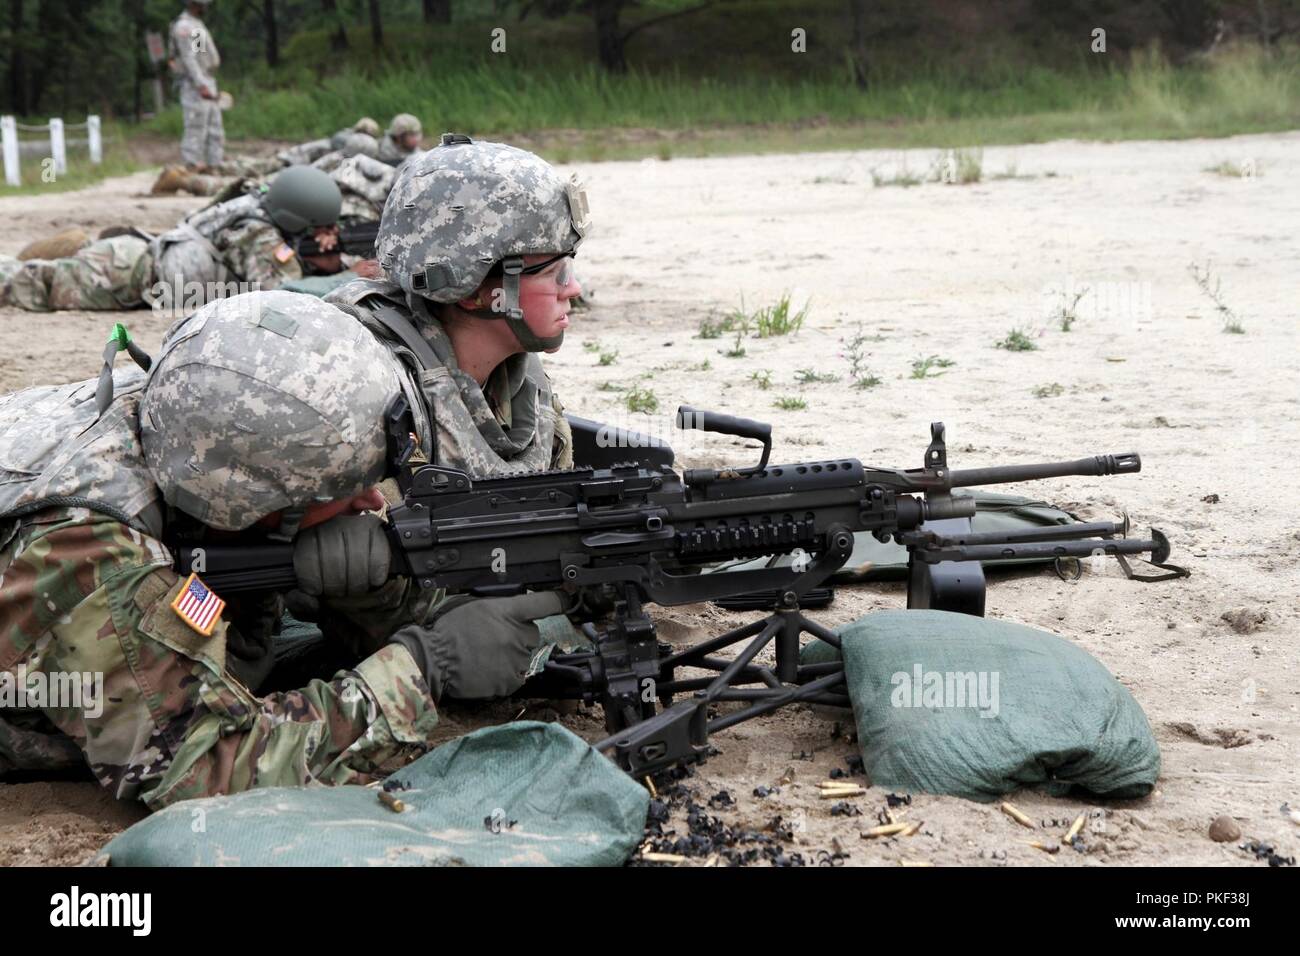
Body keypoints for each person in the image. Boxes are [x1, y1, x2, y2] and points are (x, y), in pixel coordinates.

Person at [0, 291, 566, 807]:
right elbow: (207, 770)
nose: (370, 499)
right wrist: (423, 666)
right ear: (259, 503)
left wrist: (367, 591)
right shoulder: (87, 550)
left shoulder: (202, 420)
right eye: (343, 487)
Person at [325, 133, 590, 476]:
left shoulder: (518, 384)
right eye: (553, 272)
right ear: (469, 291)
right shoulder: (372, 395)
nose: (573, 289)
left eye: (567, 268)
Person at [0, 167, 349, 311]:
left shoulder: (256, 205)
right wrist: (341, 274)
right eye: (320, 228)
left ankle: (75, 246)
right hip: (125, 273)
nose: (326, 236)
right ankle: (65, 251)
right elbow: (284, 294)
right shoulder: (259, 235)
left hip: (133, 260)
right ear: (298, 218)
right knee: (30, 285)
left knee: (42, 274)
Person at [169, 0, 223, 171]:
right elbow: (189, 59)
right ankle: (192, 165)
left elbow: (199, 55)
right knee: (196, 126)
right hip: (194, 84)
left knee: (214, 126)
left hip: (205, 78)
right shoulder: (185, 26)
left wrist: (206, 80)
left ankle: (214, 165)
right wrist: (201, 84)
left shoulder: (196, 25)